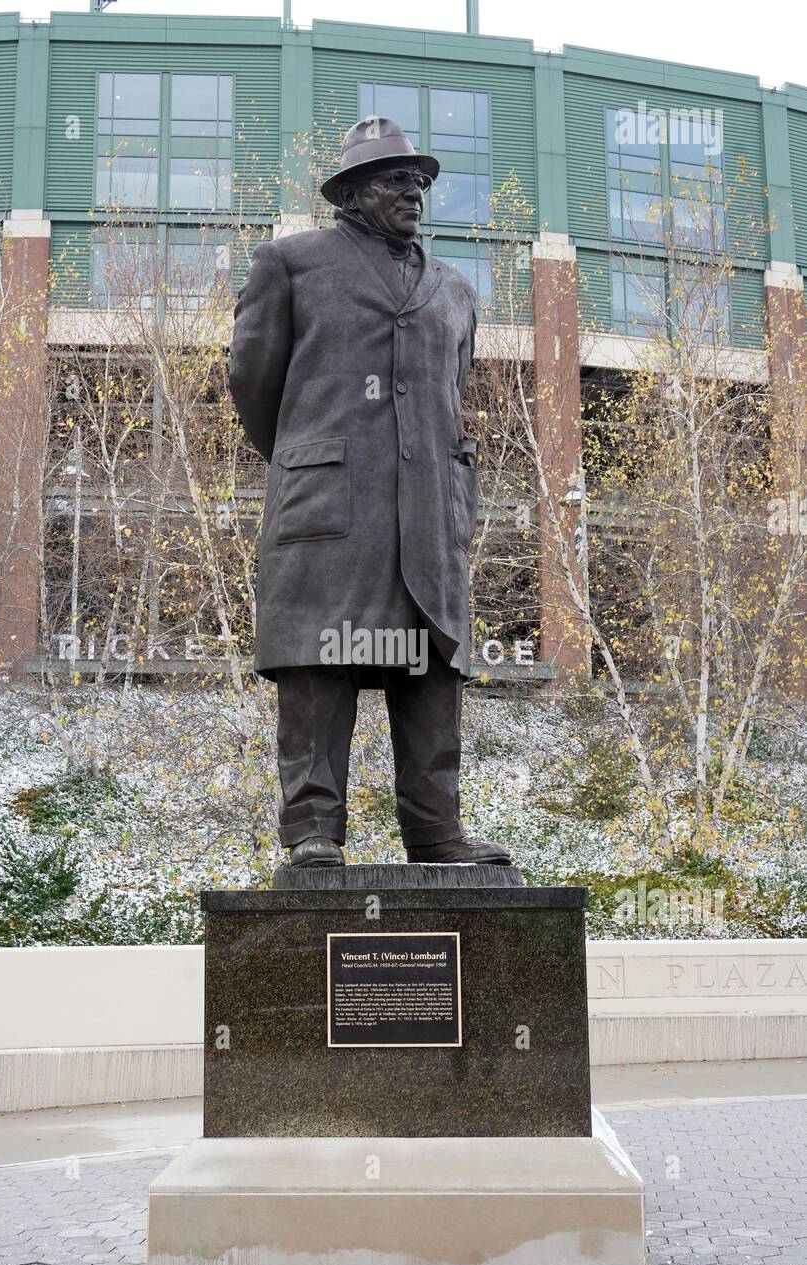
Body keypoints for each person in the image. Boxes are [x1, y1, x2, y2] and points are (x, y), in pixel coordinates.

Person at [229, 116, 511, 867]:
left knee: (432, 663)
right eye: (395, 180)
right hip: (330, 506)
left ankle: (435, 831)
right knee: (319, 663)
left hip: (431, 509)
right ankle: (313, 831)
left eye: (420, 181)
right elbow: (253, 382)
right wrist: (313, 456)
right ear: (352, 193)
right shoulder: (290, 263)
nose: (413, 192)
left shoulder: (453, 288)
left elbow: (449, 393)